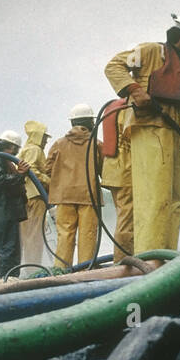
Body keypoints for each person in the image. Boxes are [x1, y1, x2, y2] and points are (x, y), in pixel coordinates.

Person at [102, 13, 180, 254]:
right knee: (154, 199)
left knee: (173, 200)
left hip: (175, 135)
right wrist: (135, 90)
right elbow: (113, 66)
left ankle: (166, 255)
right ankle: (149, 257)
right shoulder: (150, 51)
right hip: (150, 130)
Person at [45, 105, 103, 268]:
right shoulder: (96, 143)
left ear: (72, 123)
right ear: (90, 121)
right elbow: (104, 169)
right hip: (88, 196)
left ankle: (61, 270)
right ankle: (84, 269)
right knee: (88, 235)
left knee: (64, 235)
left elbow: (47, 169)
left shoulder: (59, 144)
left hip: (64, 197)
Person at [0, 131, 29, 283]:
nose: (17, 152)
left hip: (0, 212)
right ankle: (6, 280)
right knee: (7, 249)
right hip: (4, 212)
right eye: (15, 148)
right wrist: (20, 175)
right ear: (10, 147)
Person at [97, 98, 135, 262]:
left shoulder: (114, 107)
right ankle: (124, 262)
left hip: (113, 169)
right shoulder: (127, 108)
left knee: (123, 215)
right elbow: (134, 137)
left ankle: (124, 258)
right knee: (128, 217)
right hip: (124, 168)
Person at [17, 120, 52, 273]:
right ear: (38, 136)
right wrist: (50, 181)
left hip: (27, 196)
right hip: (36, 197)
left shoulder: (27, 149)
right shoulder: (35, 150)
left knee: (28, 235)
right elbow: (32, 171)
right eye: (44, 137)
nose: (46, 140)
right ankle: (33, 270)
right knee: (34, 236)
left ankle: (29, 268)